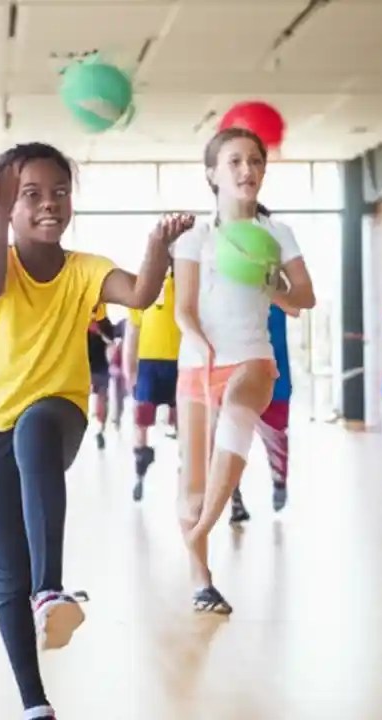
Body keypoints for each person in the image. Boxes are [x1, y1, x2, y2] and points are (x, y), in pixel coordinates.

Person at [0, 141, 193, 720]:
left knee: (36, 431)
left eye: (59, 193)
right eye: (30, 195)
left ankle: (51, 589)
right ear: (8, 205)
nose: (48, 205)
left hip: (56, 409)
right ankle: (35, 704)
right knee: (4, 571)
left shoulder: (86, 268)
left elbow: (140, 293)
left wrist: (158, 246)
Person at [172, 127, 316, 614]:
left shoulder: (278, 234)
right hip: (198, 364)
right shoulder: (195, 237)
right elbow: (184, 309)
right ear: (213, 174)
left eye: (254, 161)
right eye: (234, 161)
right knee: (191, 483)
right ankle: (202, 580)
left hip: (253, 355)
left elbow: (305, 299)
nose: (246, 170)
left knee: (237, 410)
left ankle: (204, 526)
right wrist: (197, 343)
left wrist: (271, 284)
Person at [230, 302, 299, 521]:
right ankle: (235, 498)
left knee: (276, 437)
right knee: (234, 442)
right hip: (240, 379)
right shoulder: (232, 295)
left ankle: (279, 480)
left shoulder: (275, 292)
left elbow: (296, 307)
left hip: (276, 379)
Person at [124, 271, 181, 501]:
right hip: (148, 365)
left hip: (181, 361)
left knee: (184, 422)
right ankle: (140, 468)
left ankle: (187, 472)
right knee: (142, 420)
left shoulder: (186, 283)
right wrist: (131, 371)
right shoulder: (142, 288)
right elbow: (133, 332)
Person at [86, 309, 116, 448]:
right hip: (84, 367)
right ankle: (94, 426)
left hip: (100, 366)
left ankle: (100, 429)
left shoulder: (102, 320)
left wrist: (98, 331)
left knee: (102, 399)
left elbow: (111, 338)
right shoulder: (75, 317)